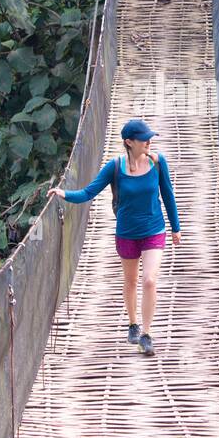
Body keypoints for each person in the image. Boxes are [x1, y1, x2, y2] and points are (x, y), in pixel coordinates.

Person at [47, 118, 181, 355]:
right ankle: (132, 323)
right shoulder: (115, 167)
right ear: (129, 142)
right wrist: (63, 193)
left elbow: (168, 195)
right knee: (130, 281)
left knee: (149, 279)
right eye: (144, 139)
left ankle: (147, 334)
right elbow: (89, 192)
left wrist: (175, 227)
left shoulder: (158, 162)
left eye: (150, 137)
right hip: (127, 233)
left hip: (154, 230)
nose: (149, 141)